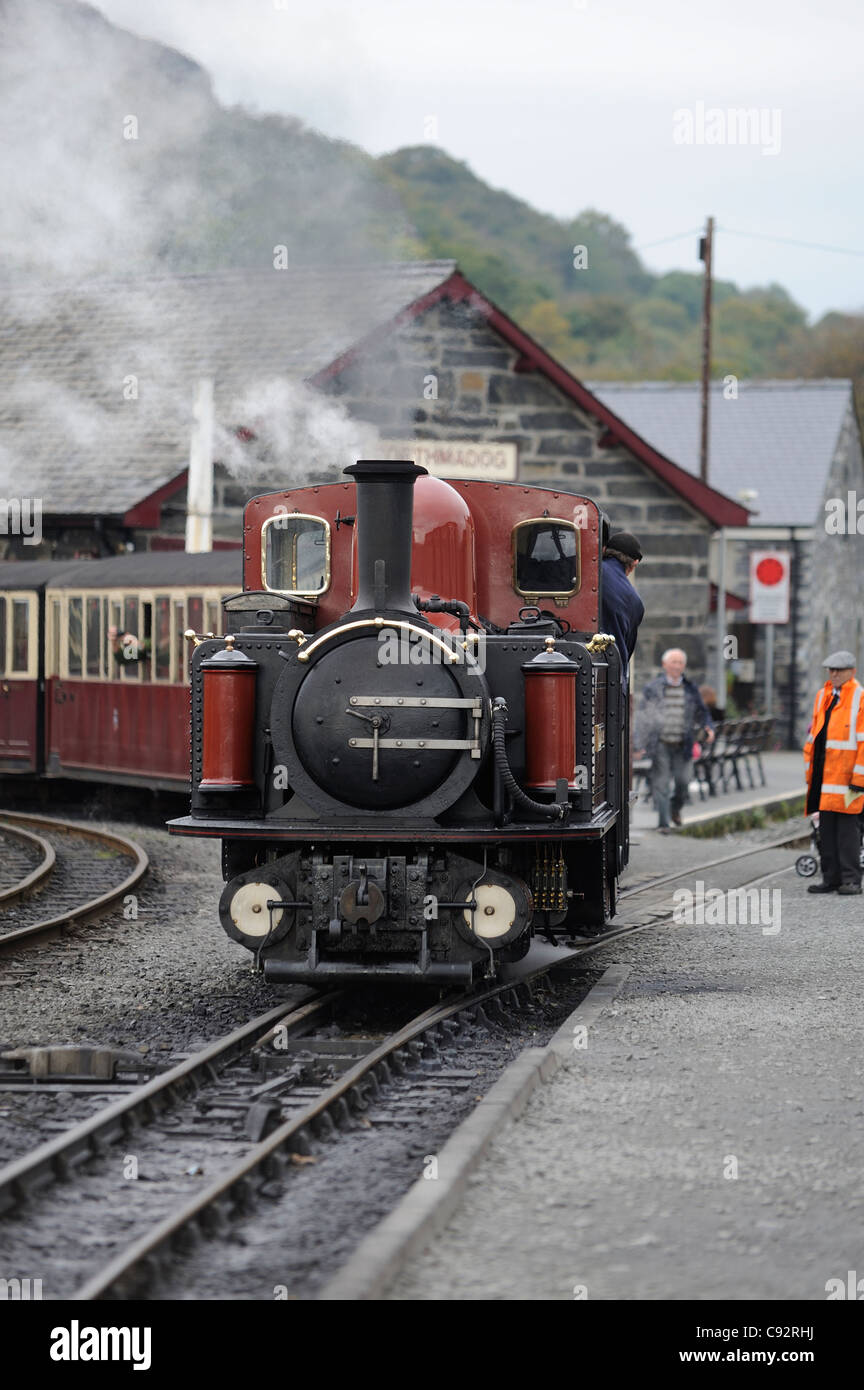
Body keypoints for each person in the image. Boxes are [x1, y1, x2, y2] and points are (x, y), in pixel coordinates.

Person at [803, 649, 864, 895]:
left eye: (838, 670)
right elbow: (815, 736)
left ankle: (851, 880)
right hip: (824, 779)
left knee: (848, 832)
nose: (834, 674)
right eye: (831, 670)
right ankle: (831, 878)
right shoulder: (823, 696)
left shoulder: (860, 698)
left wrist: (860, 779)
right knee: (826, 831)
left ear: (852, 672)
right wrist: (810, 772)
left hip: (848, 780)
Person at [635, 648, 716, 832]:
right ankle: (663, 824)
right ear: (665, 665)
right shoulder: (653, 688)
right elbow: (642, 717)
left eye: (680, 662)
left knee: (683, 782)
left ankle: (675, 808)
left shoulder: (690, 688)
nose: (677, 666)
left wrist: (709, 728)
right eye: (673, 662)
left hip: (684, 744)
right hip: (661, 744)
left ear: (684, 666)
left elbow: (703, 713)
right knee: (661, 785)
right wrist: (639, 744)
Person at [600, 531, 645, 682]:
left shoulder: (586, 571)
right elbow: (627, 648)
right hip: (611, 678)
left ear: (604, 551)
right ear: (634, 564)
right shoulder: (636, 602)